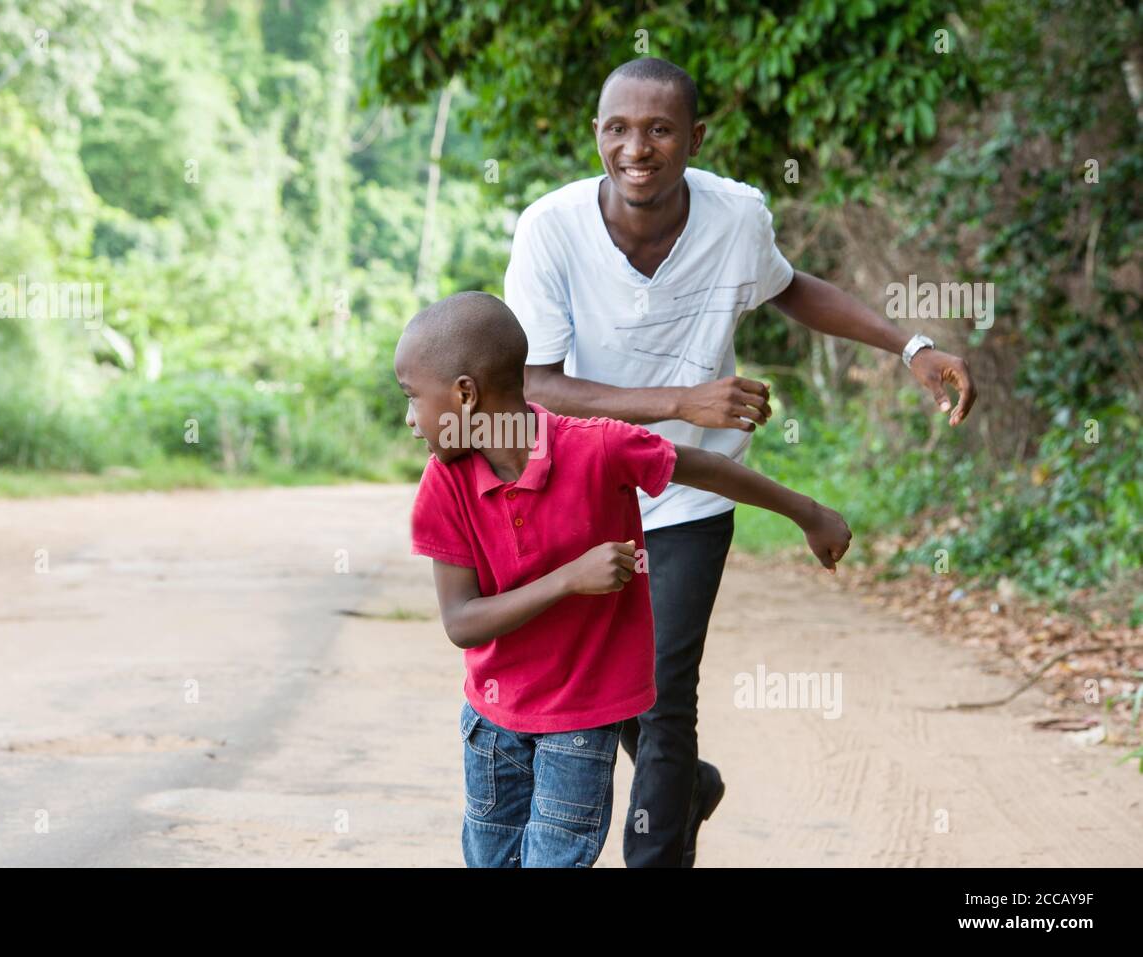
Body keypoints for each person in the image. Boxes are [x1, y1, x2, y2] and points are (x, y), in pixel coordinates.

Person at [503, 56, 978, 867]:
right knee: (596, 681)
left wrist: (911, 346)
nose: (636, 148)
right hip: (585, 487)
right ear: (596, 134)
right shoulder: (550, 228)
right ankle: (685, 787)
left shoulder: (736, 216)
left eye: (659, 129)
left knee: (663, 692)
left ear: (695, 138)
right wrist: (682, 401)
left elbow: (790, 287)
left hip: (692, 491)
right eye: (618, 129)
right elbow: (538, 383)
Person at [397, 290, 851, 867]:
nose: (410, 420)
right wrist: (569, 579)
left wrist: (808, 513)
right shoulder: (445, 484)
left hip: (581, 721)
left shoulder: (597, 447)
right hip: (492, 724)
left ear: (465, 394)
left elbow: (705, 468)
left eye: (412, 398)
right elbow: (461, 623)